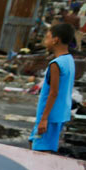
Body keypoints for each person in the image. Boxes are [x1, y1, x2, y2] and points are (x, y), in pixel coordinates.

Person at [29, 23, 76, 154]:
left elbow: (53, 93)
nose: (45, 40)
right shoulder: (69, 59)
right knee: (33, 141)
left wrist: (44, 119)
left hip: (50, 115)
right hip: (59, 112)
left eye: (47, 37)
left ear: (56, 40)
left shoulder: (56, 64)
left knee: (42, 151)